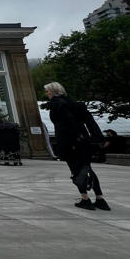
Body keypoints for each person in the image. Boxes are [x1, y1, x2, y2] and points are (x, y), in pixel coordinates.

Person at [44, 82, 110, 211]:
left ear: (53, 92)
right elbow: (90, 122)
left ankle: (85, 199)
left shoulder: (58, 105)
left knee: (76, 170)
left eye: (47, 91)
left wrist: (75, 138)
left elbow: (69, 122)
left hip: (70, 141)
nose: (46, 94)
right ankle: (100, 199)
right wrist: (97, 138)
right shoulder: (75, 104)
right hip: (84, 140)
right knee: (87, 168)